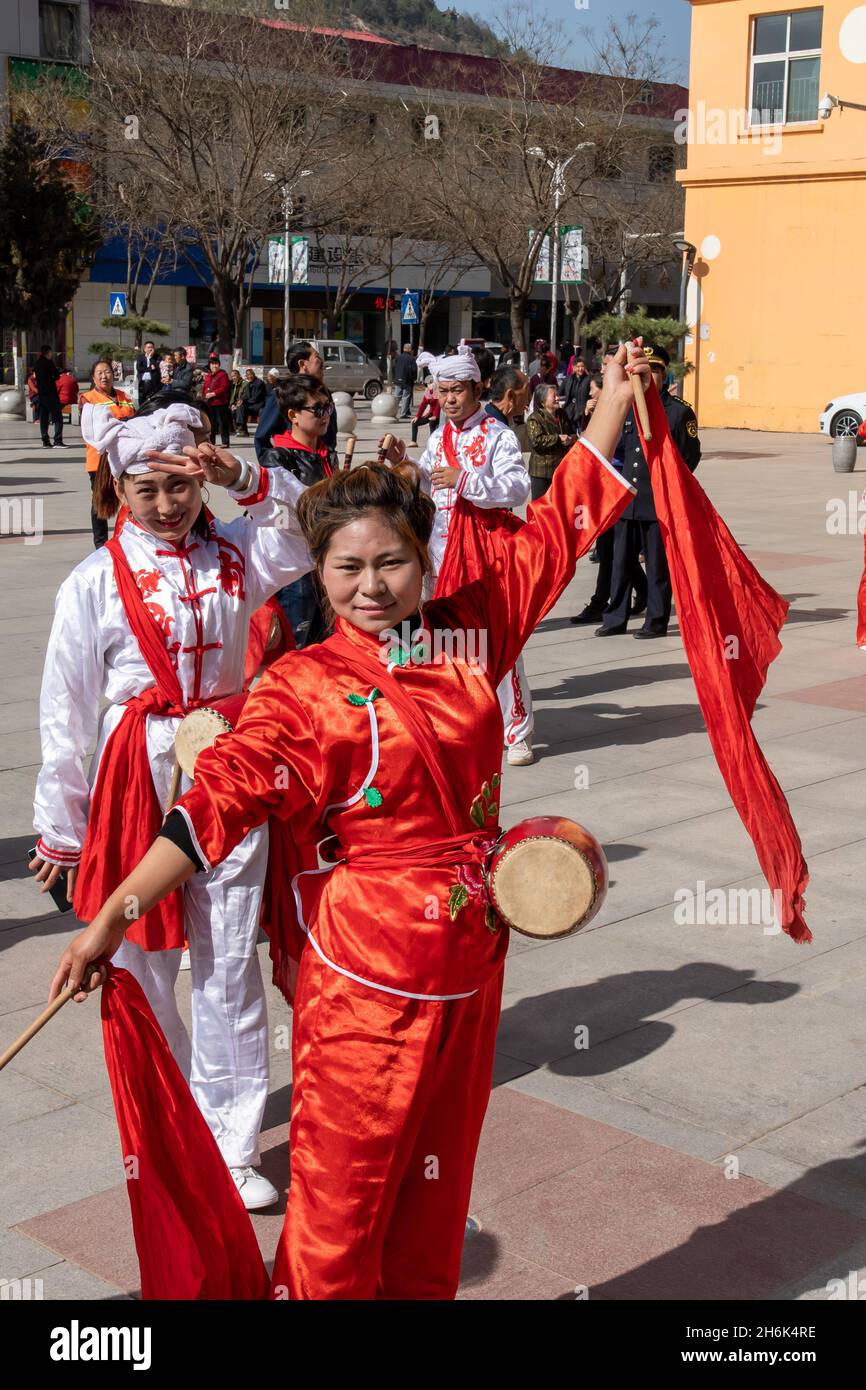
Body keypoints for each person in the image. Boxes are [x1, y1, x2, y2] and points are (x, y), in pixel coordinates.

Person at [48, 343, 652, 1300]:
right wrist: (113, 915)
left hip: (471, 963)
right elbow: (212, 805)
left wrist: (613, 403)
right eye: (347, 569)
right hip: (362, 976)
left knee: (432, 1205)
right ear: (317, 575)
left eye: (392, 565)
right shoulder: (301, 687)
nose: (372, 589)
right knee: (337, 1205)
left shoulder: (467, 641)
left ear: (424, 560)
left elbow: (554, 533)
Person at [33, 397, 312, 1211]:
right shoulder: (92, 582)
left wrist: (244, 475)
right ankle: (174, 1118)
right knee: (140, 955)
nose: (166, 504)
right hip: (135, 775)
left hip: (224, 766)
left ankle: (233, 1144)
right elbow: (66, 712)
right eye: (146, 487)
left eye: (182, 485)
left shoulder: (239, 555)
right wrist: (63, 824)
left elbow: (306, 530)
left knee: (228, 960)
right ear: (119, 488)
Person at [388, 345, 537, 767]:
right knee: (441, 638)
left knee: (499, 639)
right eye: (443, 391)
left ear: (477, 387)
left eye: (456, 390)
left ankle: (517, 730)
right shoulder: (438, 436)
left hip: (484, 554)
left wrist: (465, 478)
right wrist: (407, 464)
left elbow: (516, 489)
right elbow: (428, 485)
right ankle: (452, 717)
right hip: (438, 549)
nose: (449, 399)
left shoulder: (498, 435)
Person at [597, 343, 700, 638]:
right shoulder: (628, 407)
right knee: (620, 563)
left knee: (656, 566)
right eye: (644, 370)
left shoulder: (678, 413)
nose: (649, 376)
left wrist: (670, 486)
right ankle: (615, 617)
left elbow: (690, 455)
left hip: (657, 501)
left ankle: (655, 620)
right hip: (626, 499)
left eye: (654, 370)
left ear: (663, 376)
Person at [260, 374, 337, 647]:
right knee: (294, 646)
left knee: (326, 642)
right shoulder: (277, 457)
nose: (325, 415)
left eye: (328, 407)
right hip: (294, 569)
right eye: (317, 409)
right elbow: (279, 518)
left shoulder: (327, 453)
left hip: (325, 561)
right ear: (292, 414)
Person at [78, 359, 136, 548]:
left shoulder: (124, 395)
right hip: (99, 460)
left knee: (131, 499)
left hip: (124, 457)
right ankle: (101, 544)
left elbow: (135, 420)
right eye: (100, 373)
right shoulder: (87, 398)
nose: (104, 376)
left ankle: (129, 538)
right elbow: (97, 427)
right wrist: (122, 421)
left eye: (108, 372)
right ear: (94, 377)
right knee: (100, 502)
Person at [255, 342, 336, 460]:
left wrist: (330, 458)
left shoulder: (323, 393)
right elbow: (261, 437)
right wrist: (276, 465)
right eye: (317, 357)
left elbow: (330, 435)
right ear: (303, 364)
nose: (322, 362)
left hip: (323, 464)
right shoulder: (282, 394)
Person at [526, 384, 576, 502]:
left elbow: (573, 433)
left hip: (559, 471)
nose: (558, 398)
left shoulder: (562, 415)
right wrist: (558, 439)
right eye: (554, 396)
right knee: (541, 507)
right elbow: (536, 441)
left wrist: (570, 439)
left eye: (557, 395)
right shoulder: (535, 418)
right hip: (541, 473)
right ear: (543, 401)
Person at [35, 345, 64, 448]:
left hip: (41, 394)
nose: (52, 354)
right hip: (51, 393)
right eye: (51, 352)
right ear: (48, 352)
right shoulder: (49, 362)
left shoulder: (37, 363)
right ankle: (58, 441)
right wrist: (52, 377)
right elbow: (57, 375)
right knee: (57, 417)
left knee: (44, 418)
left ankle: (45, 441)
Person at [202, 353, 231, 446]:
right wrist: (204, 394)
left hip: (220, 402)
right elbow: (205, 387)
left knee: (222, 423)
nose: (214, 365)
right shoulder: (209, 376)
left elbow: (224, 387)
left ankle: (225, 442)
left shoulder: (223, 374)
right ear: (209, 366)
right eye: (212, 364)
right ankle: (212, 441)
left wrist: (213, 393)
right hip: (210, 403)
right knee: (211, 424)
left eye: (216, 363)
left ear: (219, 365)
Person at [562, 357, 592, 433]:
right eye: (578, 367)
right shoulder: (568, 379)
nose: (580, 369)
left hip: (582, 411)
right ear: (574, 367)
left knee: (580, 433)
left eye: (582, 366)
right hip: (569, 410)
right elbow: (560, 392)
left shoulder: (588, 379)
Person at [411, 378, 441, 444]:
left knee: (432, 423)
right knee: (414, 422)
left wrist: (435, 416)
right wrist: (417, 416)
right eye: (428, 384)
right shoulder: (428, 392)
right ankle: (413, 442)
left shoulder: (438, 391)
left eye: (431, 383)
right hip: (430, 414)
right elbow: (423, 405)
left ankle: (433, 442)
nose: (430, 385)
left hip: (439, 414)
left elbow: (438, 405)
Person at [238, 368, 267, 435]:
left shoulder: (259, 383)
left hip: (259, 405)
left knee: (243, 407)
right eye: (247, 375)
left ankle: (241, 426)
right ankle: (243, 429)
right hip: (251, 405)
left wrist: (246, 402)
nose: (249, 376)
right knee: (240, 407)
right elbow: (245, 396)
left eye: (250, 374)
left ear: (253, 374)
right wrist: (241, 400)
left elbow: (256, 397)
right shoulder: (248, 385)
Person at [393, 342, 417, 420]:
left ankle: (393, 411)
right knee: (406, 397)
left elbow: (394, 368)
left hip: (397, 380)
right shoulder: (412, 359)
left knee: (397, 397)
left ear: (403, 349)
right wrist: (414, 378)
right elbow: (414, 370)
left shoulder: (398, 357)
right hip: (407, 381)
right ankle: (403, 413)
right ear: (410, 350)